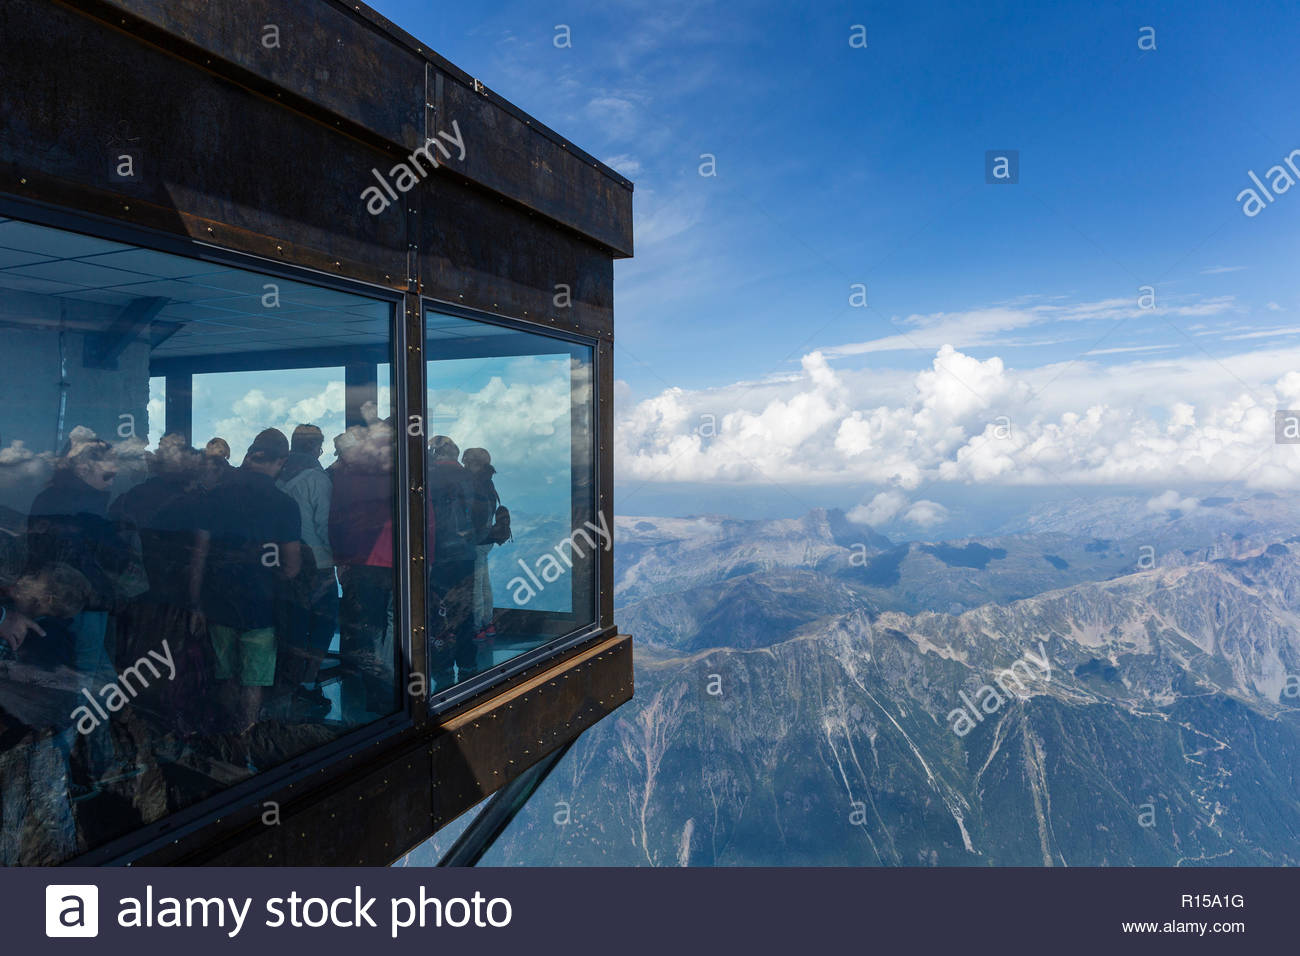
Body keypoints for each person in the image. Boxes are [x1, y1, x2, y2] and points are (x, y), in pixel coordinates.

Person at [189, 429, 300, 766]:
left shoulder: (214, 497)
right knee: (254, 680)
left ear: (250, 455)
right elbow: (292, 566)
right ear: (281, 461)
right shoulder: (283, 503)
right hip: (260, 605)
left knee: (225, 675)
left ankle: (224, 742)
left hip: (218, 601)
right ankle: (245, 741)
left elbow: (198, 553)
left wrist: (194, 602)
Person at [328, 421, 396, 723]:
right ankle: (386, 690)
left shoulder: (341, 477)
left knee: (369, 627)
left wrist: (341, 559)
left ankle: (375, 690)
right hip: (386, 558)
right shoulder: (382, 473)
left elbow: (338, 521)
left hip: (361, 561)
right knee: (384, 625)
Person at [275, 424, 338, 716]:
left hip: (285, 563)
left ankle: (288, 683)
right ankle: (309, 683)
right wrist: (337, 555)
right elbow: (325, 524)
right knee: (322, 624)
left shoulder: (278, 475)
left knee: (295, 625)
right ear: (317, 447)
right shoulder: (317, 478)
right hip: (319, 563)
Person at [427, 436, 476, 687]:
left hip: (438, 554)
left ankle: (442, 667)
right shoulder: (468, 477)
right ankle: (468, 664)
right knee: (464, 610)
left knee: (439, 612)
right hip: (466, 554)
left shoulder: (429, 477)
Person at [462, 447, 501, 670]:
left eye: (468, 461)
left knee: (476, 584)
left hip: (475, 541)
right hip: (486, 540)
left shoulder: (474, 482)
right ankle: (488, 624)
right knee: (484, 582)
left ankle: (477, 626)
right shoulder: (488, 481)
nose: (465, 465)